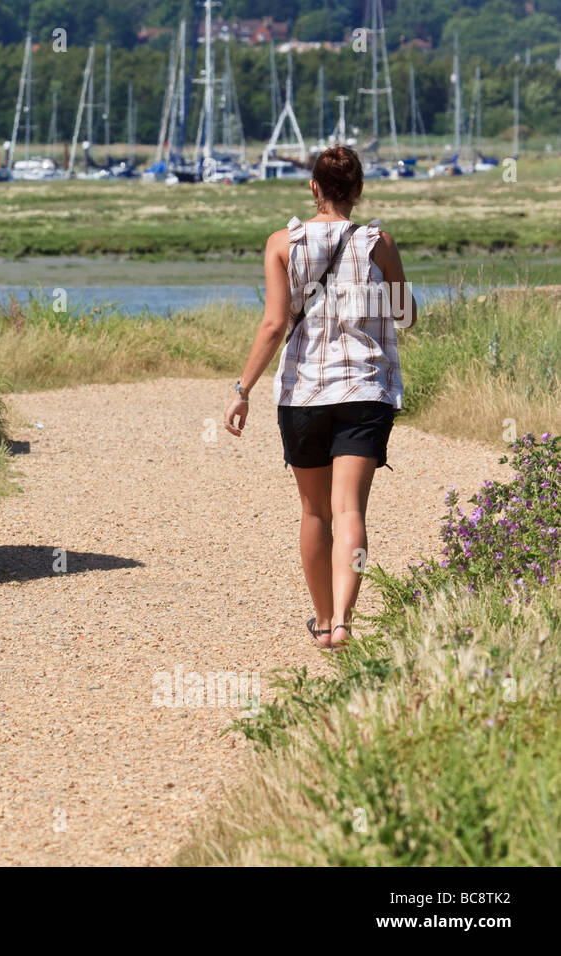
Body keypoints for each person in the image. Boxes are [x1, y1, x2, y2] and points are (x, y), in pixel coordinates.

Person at [223, 145, 414, 650]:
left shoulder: (282, 243)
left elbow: (273, 324)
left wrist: (242, 390)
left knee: (314, 513)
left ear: (313, 188)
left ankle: (324, 620)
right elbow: (406, 315)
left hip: (303, 394)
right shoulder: (379, 242)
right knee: (350, 510)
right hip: (364, 388)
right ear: (358, 190)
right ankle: (347, 621)